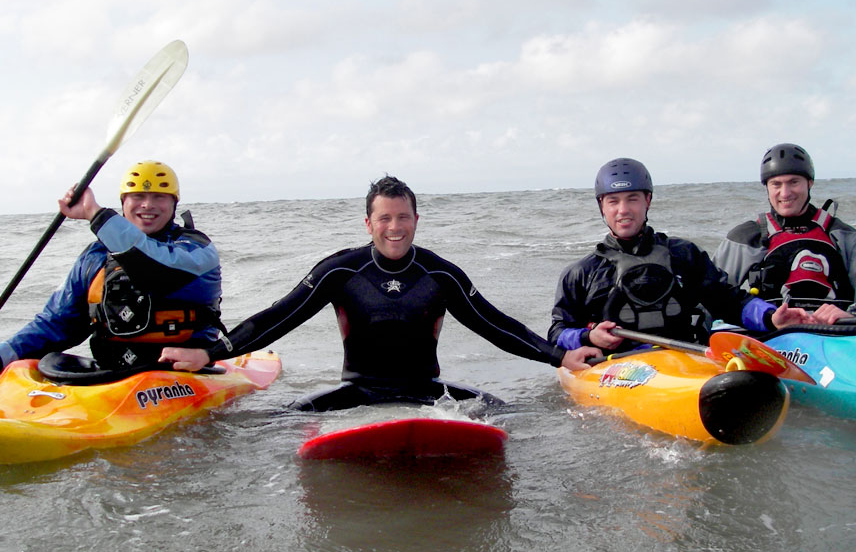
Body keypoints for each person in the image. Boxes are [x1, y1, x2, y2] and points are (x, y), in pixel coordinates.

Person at [161, 175, 601, 410]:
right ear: (368, 223)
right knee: (279, 422)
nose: (395, 227)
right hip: (358, 391)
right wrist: (213, 353)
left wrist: (559, 356)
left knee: (510, 412)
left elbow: (495, 324)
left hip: (426, 390)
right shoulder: (340, 271)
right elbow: (279, 316)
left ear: (416, 219)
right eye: (385, 218)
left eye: (403, 217)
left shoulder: (440, 274)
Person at [549, 158, 810, 354]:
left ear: (647, 201)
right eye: (613, 201)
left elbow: (728, 301)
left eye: (633, 199)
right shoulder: (582, 272)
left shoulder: (683, 255)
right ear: (602, 206)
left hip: (683, 359)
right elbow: (558, 333)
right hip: (618, 370)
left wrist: (771, 316)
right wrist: (588, 338)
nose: (623, 210)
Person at [0, 160, 224, 372]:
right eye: (137, 196)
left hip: (184, 374)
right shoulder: (95, 257)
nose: (148, 205)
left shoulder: (195, 249)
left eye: (159, 197)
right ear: (123, 203)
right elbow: (56, 325)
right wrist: (5, 354)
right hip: (112, 377)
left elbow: (157, 270)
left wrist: (95, 214)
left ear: (173, 204)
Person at [713, 143, 856, 324]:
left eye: (794, 182)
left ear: (810, 183)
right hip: (772, 338)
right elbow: (711, 295)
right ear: (766, 188)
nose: (784, 193)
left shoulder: (845, 237)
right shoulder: (745, 238)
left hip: (837, 334)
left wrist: (851, 315)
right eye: (776, 184)